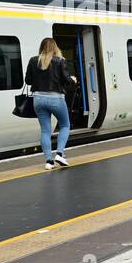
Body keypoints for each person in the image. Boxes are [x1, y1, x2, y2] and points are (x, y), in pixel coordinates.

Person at [25, 38, 78, 169]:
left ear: (41, 47)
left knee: (45, 130)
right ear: (55, 48)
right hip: (56, 99)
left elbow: (28, 80)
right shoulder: (60, 60)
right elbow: (66, 80)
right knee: (65, 125)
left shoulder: (33, 60)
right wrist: (73, 80)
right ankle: (59, 153)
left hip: (38, 99)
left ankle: (49, 161)